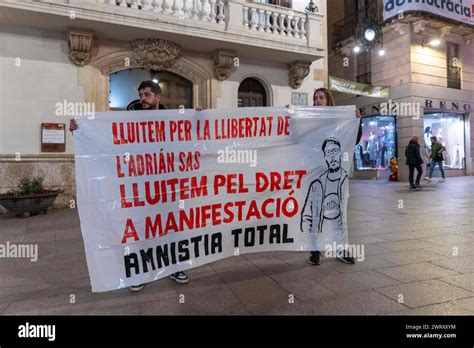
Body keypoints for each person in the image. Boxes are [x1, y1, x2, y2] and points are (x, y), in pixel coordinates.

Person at [70, 80, 190, 292]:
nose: (143, 98)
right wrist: (81, 130)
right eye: (141, 94)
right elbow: (105, 139)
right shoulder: (128, 119)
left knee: (171, 228)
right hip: (140, 188)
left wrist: (199, 118)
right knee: (140, 229)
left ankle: (175, 267)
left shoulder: (171, 119)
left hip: (166, 188)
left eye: (147, 94)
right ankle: (139, 272)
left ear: (157, 97)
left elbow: (191, 137)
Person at [307, 88, 359, 266]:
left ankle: (342, 249)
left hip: (337, 175)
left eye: (321, 97)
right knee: (315, 213)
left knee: (340, 213)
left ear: (328, 100)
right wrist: (290, 116)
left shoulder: (339, 121)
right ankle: (314, 250)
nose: (317, 101)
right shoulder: (310, 120)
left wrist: (356, 121)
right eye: (315, 98)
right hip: (316, 173)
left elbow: (353, 139)